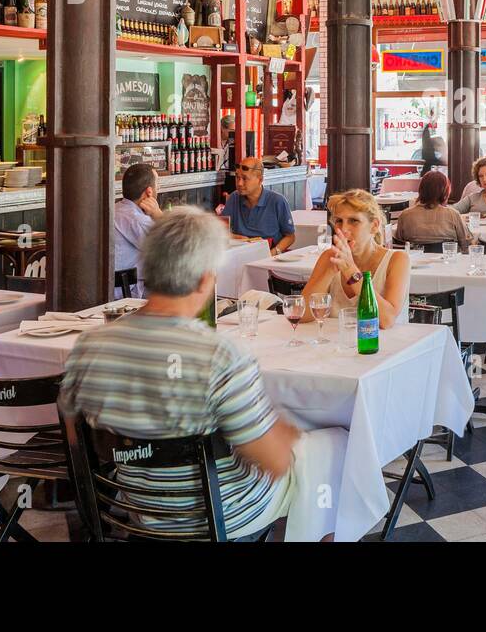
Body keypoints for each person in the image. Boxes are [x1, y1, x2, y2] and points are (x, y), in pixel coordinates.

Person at [60, 208, 346, 541]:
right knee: (324, 456)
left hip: (140, 512)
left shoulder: (89, 345)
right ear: (203, 279)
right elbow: (274, 461)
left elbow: (73, 433)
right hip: (223, 517)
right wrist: (283, 432)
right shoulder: (220, 357)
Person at [303, 189, 411, 328]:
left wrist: (350, 271)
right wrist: (329, 272)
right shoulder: (330, 257)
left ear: (374, 226)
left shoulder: (397, 259)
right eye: (339, 221)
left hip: (387, 346)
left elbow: (386, 320)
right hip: (338, 345)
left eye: (354, 221)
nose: (344, 228)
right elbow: (303, 314)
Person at [217, 158, 296, 253]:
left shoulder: (277, 201)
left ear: (260, 180)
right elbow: (221, 231)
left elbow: (290, 237)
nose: (239, 183)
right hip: (241, 252)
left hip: (270, 253)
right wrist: (240, 238)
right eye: (237, 177)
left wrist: (274, 252)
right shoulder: (234, 197)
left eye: (245, 178)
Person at [113, 163, 161, 296]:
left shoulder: (116, 209)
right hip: (124, 295)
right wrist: (158, 215)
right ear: (149, 192)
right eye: (158, 184)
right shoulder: (137, 220)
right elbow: (175, 247)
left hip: (107, 290)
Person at [392, 171, 470, 249]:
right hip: (446, 259)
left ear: (421, 189)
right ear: (445, 192)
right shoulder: (453, 214)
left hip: (415, 259)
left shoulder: (405, 215)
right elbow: (465, 244)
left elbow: (400, 245)